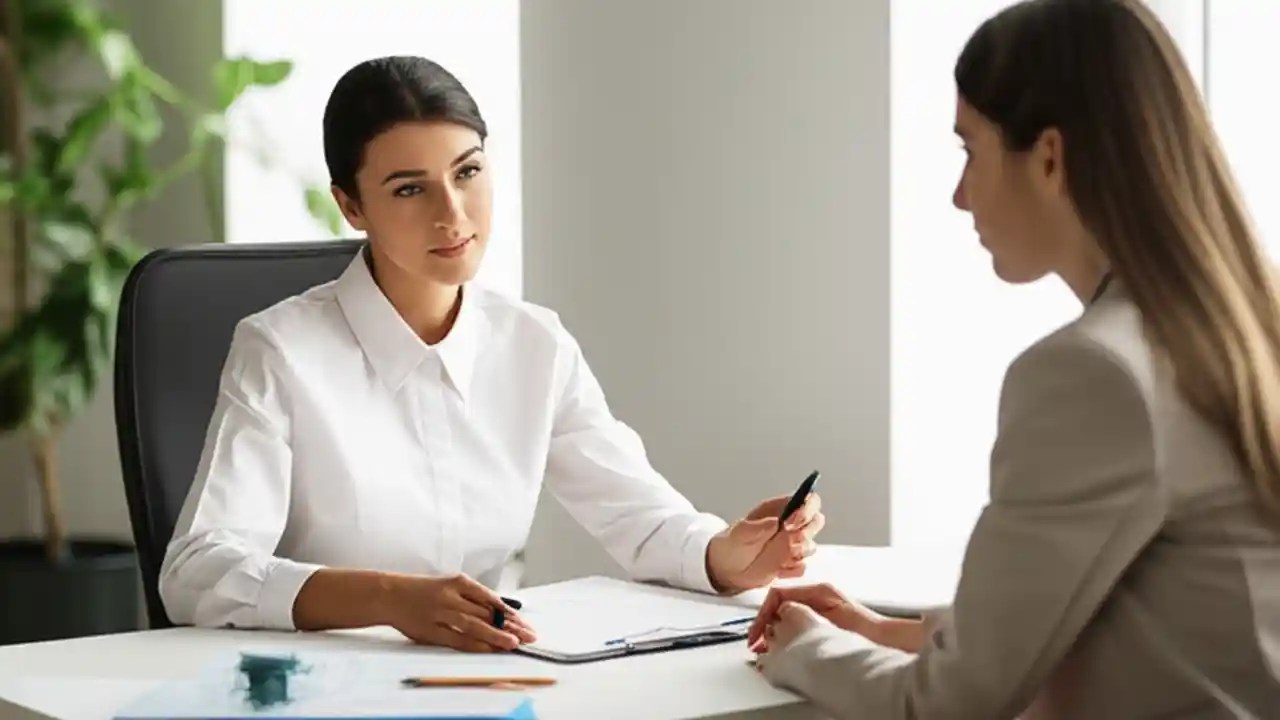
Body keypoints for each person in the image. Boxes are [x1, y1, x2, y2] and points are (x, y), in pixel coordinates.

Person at [159, 56, 826, 653]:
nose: (454, 213)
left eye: (468, 171)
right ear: (350, 206)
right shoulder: (280, 350)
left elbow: (641, 520)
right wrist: (389, 599)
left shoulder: (533, 345)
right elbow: (198, 572)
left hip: (485, 680)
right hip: (318, 685)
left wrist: (728, 556)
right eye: (409, 188)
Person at [749, 0, 1280, 717]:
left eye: (970, 150)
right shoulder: (1232, 337)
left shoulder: (1096, 375)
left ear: (1051, 157)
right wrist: (888, 631)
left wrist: (802, 651)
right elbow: (1146, 616)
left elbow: (947, 708)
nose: (960, 196)